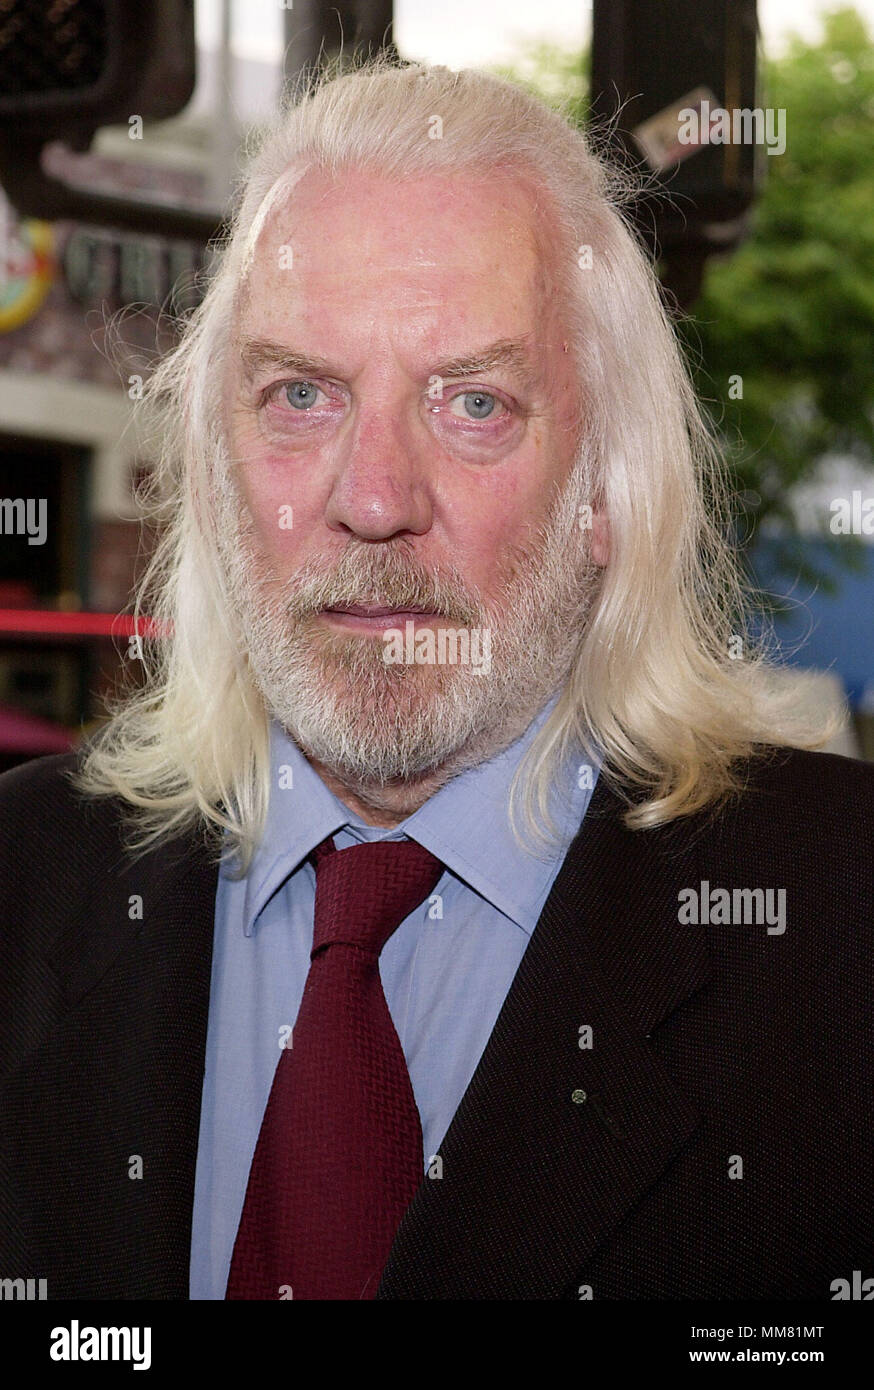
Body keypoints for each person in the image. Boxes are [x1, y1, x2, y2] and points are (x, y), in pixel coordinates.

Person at [1, 57, 872, 1302]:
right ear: (211, 470)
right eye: (298, 394)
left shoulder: (840, 940)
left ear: (605, 491)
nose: (370, 500)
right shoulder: (23, 887)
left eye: (473, 403)